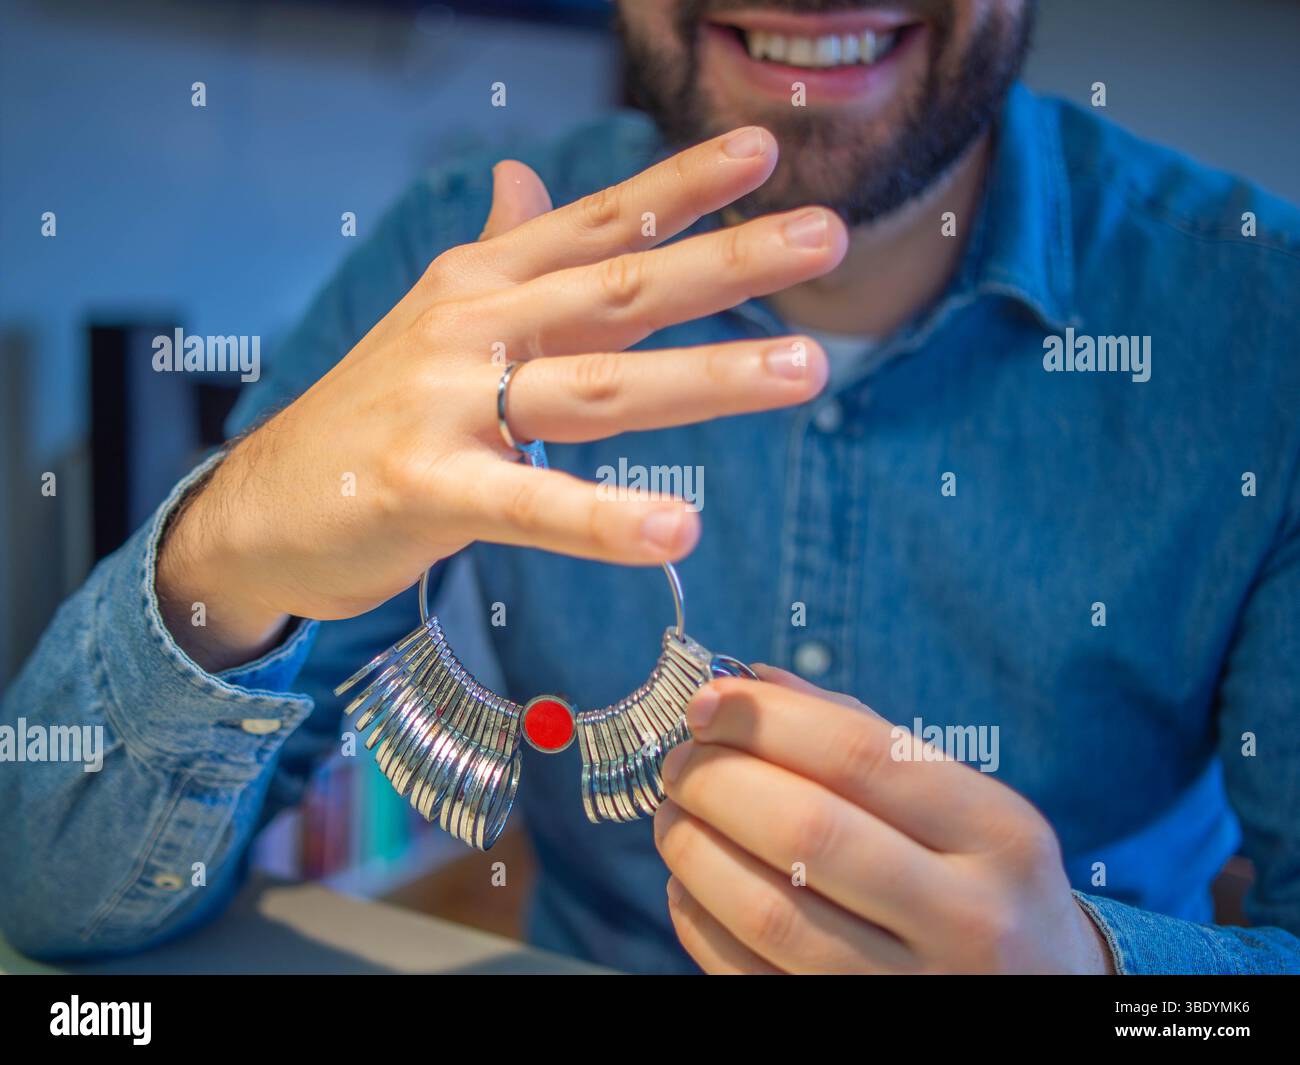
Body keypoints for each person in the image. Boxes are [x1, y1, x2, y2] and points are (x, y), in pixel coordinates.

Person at [3, 0, 1299, 974]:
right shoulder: (457, 262)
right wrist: (224, 555)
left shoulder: (1264, 315)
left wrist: (1105, 969)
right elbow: (47, 894)